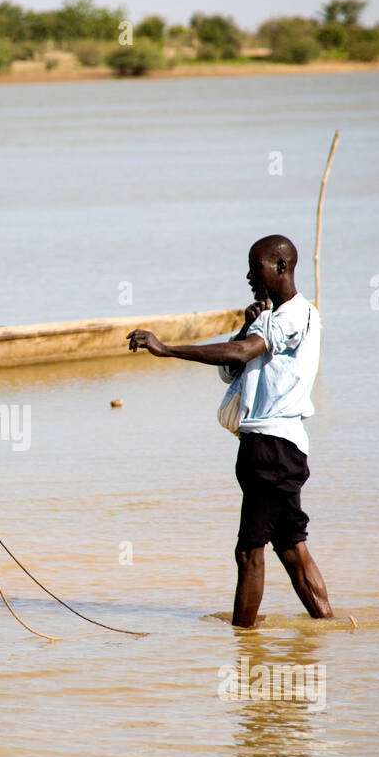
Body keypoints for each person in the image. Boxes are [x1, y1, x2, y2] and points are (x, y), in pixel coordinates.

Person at [126, 234, 333, 627]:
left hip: (271, 448)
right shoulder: (269, 319)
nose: (250, 276)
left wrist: (166, 349)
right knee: (291, 548)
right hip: (275, 448)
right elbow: (231, 371)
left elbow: (240, 353)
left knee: (248, 551)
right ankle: (330, 628)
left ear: (282, 268)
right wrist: (246, 325)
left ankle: (243, 645)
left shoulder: (295, 315)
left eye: (256, 268)